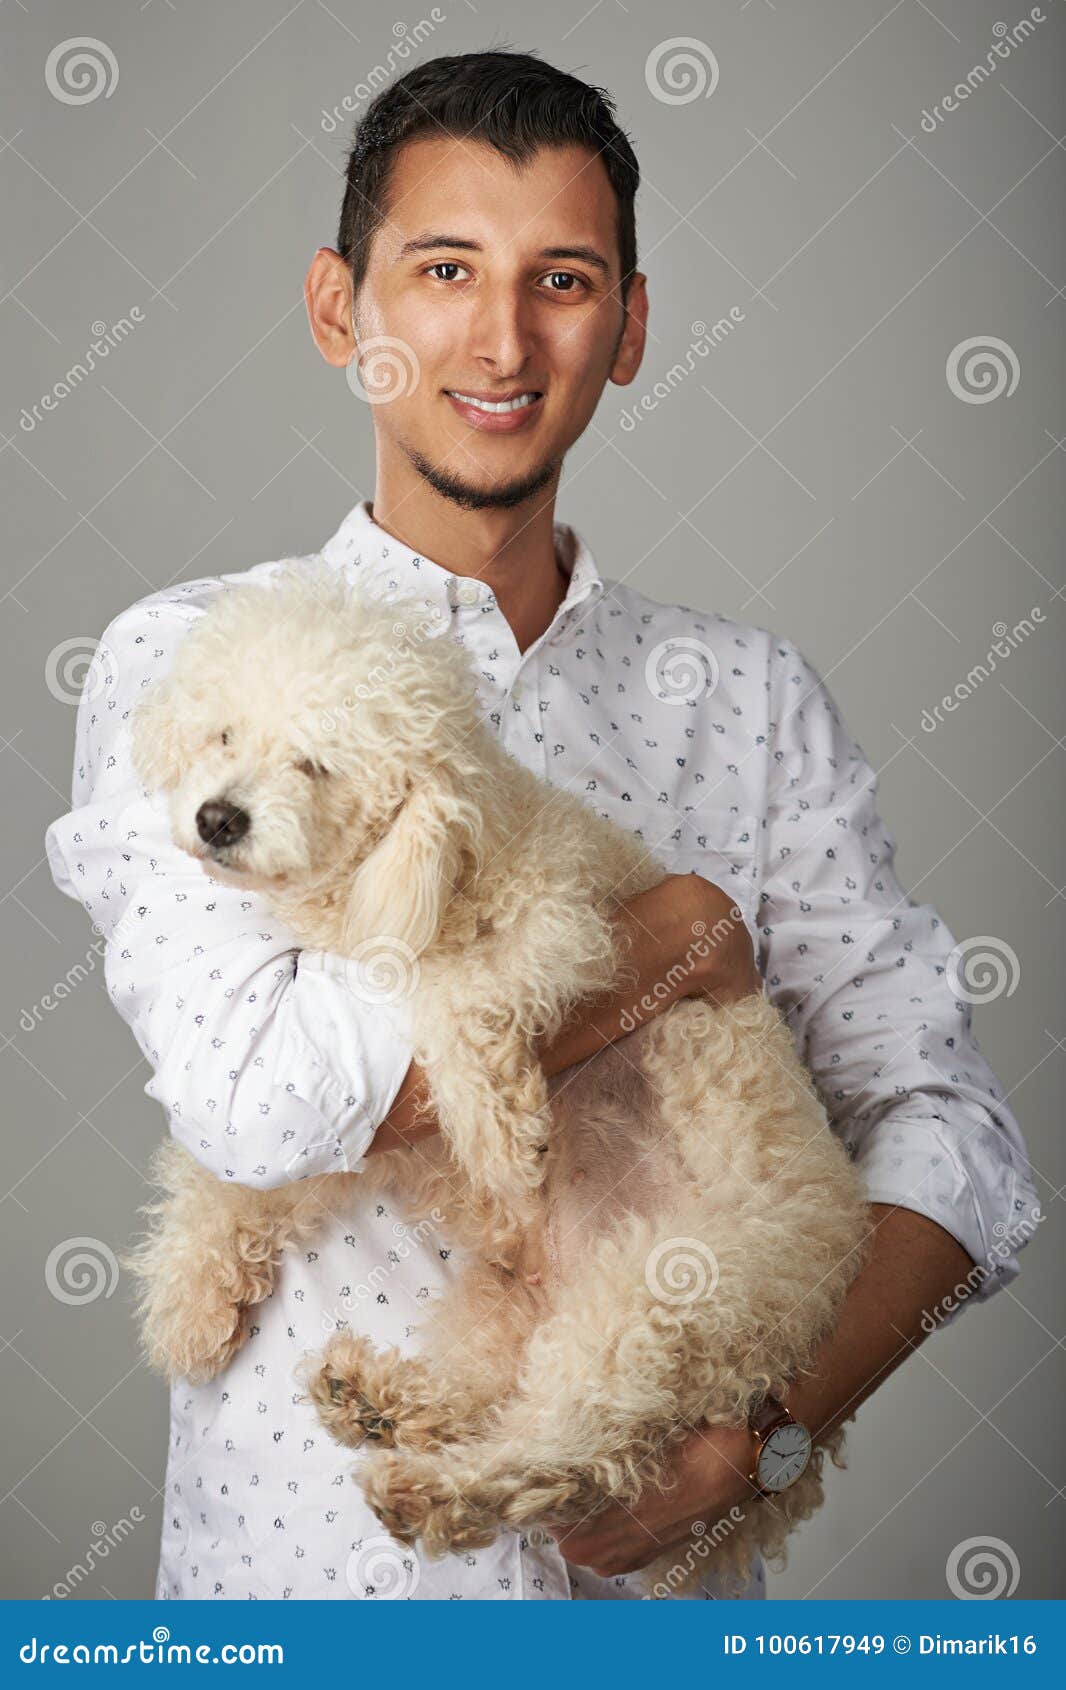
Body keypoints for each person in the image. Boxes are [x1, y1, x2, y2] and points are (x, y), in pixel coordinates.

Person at [44, 49, 1039, 1601]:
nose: (501, 338)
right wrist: (667, 946)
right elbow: (261, 1106)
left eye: (561, 279)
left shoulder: (751, 701)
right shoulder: (194, 669)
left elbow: (952, 1135)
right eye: (443, 268)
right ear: (338, 309)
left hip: (643, 1619)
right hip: (306, 1601)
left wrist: (765, 1436)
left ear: (628, 327)